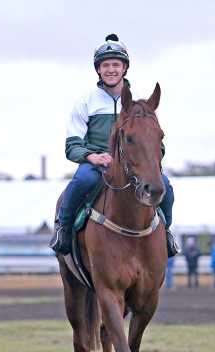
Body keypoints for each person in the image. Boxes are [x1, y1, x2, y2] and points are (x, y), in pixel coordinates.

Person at [49, 34, 179, 257]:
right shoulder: (86, 102)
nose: (111, 69)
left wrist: (148, 162)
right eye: (105, 65)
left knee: (165, 185)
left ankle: (166, 233)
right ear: (98, 70)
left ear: (124, 68)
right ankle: (64, 229)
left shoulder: (141, 101)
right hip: (97, 165)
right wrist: (93, 157)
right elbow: (72, 145)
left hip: (135, 167)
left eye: (116, 65)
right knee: (82, 180)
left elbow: (156, 142)